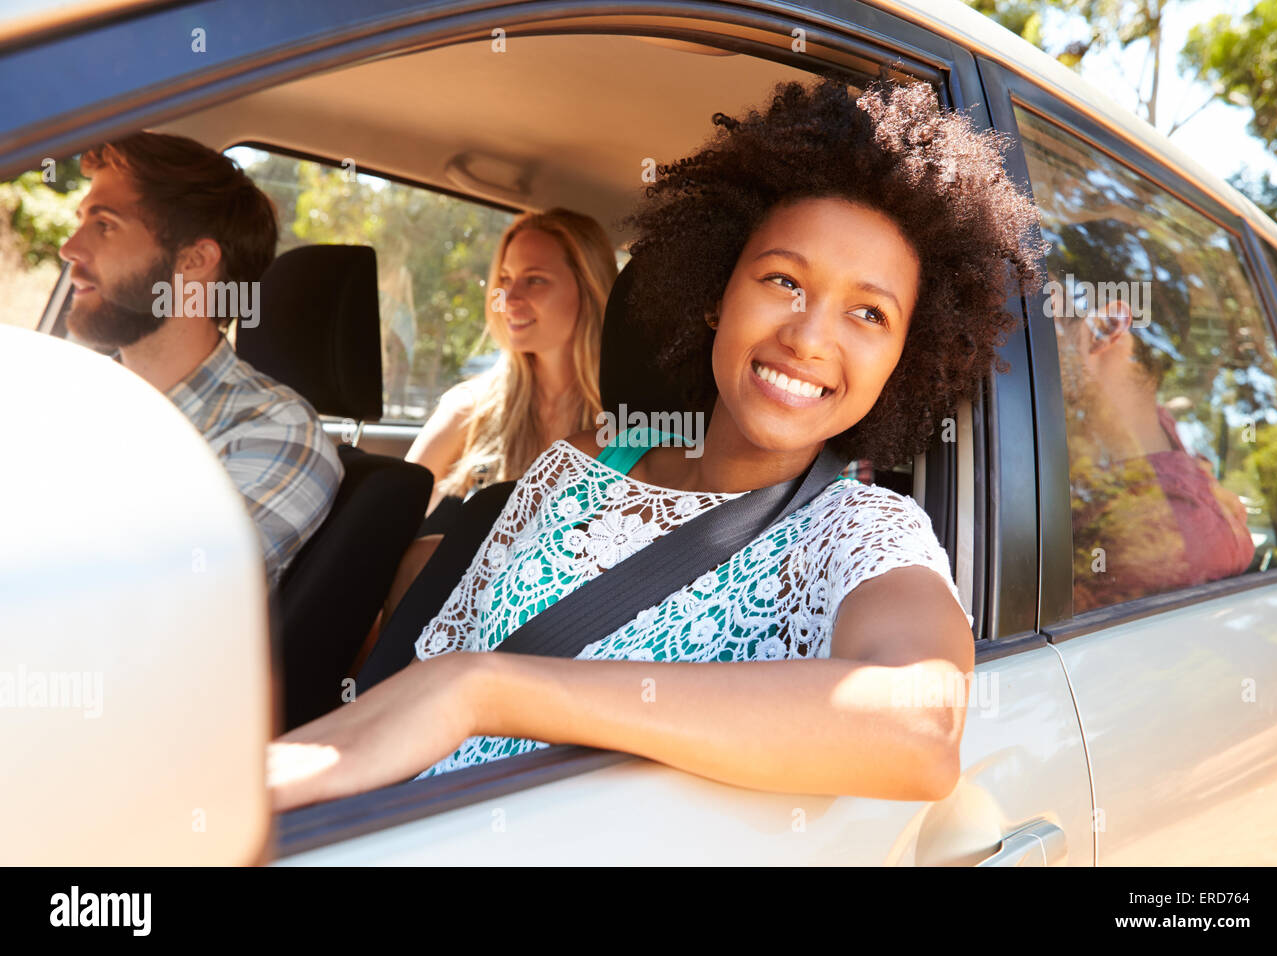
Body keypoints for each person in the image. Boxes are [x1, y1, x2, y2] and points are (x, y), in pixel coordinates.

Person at [268, 78, 1045, 811]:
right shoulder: (575, 468)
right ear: (717, 297)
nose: (809, 337)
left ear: (904, 357)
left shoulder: (863, 532)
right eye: (783, 281)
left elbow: (916, 728)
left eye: (868, 314)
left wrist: (485, 689)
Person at [59, 131, 342, 587]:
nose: (69, 247)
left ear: (193, 260)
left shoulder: (274, 434)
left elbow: (148, 598)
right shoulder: (71, 399)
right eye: (81, 220)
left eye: (104, 225)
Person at [406, 208, 618, 513]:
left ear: (589, 288)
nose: (509, 297)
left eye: (535, 280)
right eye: (505, 278)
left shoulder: (629, 422)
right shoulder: (469, 409)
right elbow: (387, 527)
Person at [1055, 295, 1256, 611]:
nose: (1018, 345)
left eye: (1047, 323)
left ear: (1107, 326)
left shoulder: (1169, 526)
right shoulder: (1167, 455)